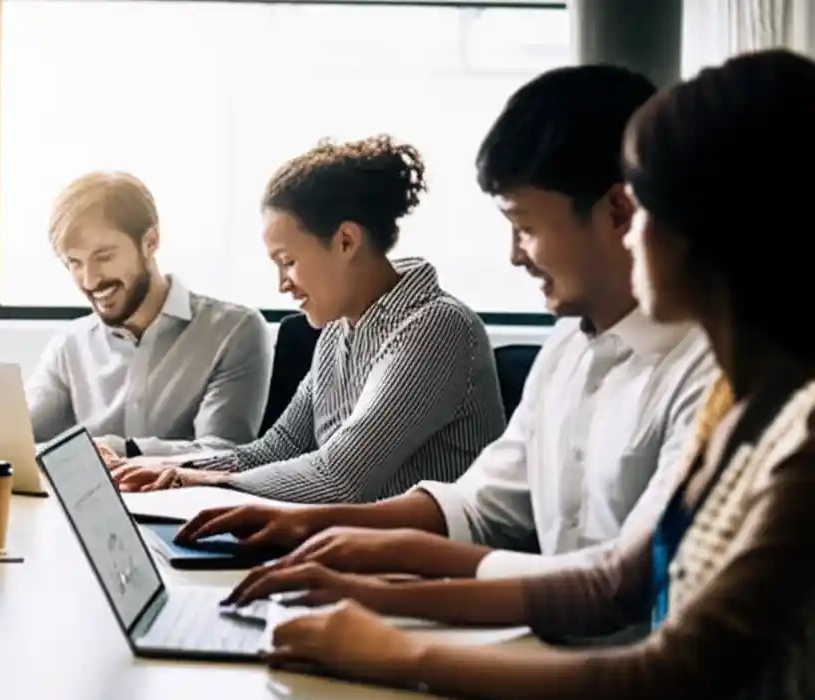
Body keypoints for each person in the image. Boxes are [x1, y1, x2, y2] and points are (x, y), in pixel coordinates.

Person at [240, 49, 815, 700]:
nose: (634, 233)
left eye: (646, 207)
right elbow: (612, 578)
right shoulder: (738, 405)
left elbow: (672, 673)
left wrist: (398, 652)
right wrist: (374, 586)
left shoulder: (794, 429)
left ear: (707, 228)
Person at [177, 65, 715, 577]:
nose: (514, 257)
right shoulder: (566, 350)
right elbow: (480, 504)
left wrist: (338, 550)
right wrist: (306, 526)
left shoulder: (707, 373)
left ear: (619, 213)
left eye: (524, 227)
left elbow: (610, 589)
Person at [114, 135, 506, 503]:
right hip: (356, 549)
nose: (282, 284)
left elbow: (340, 477)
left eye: (289, 262)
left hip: (428, 565)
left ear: (346, 242)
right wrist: (158, 469)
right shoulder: (338, 329)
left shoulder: (436, 328)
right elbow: (277, 448)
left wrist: (206, 484)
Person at [27, 171, 271, 458]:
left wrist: (118, 450)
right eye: (75, 263)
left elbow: (223, 452)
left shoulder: (234, 331)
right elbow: (19, 439)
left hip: (191, 503)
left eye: (104, 256)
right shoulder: (69, 345)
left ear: (151, 242)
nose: (90, 280)